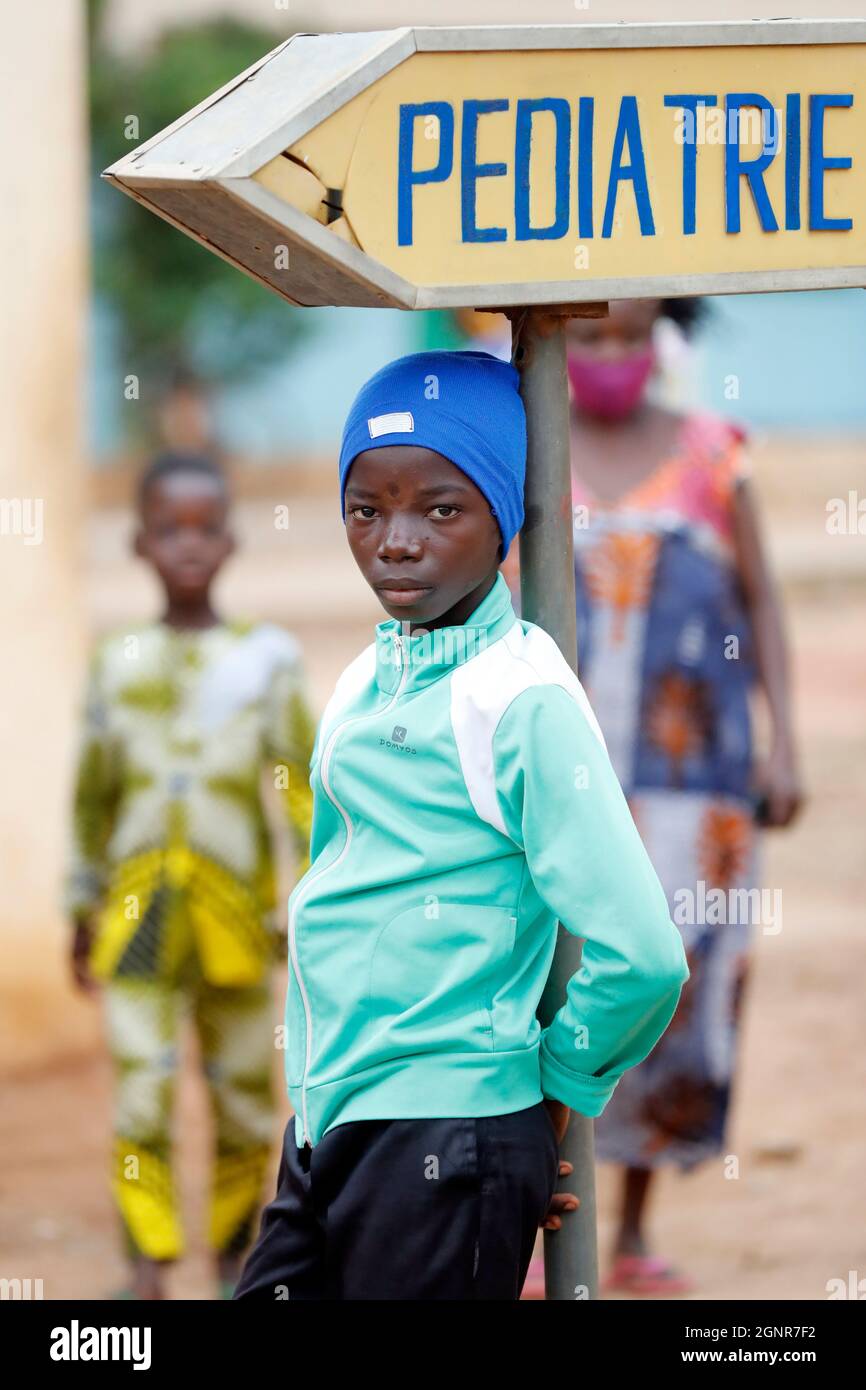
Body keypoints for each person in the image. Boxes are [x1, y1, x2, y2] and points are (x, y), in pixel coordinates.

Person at [233, 349, 690, 1302]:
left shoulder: (519, 700)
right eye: (368, 509)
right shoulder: (367, 679)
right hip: (329, 1124)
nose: (397, 540)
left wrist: (548, 1101)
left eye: (441, 509)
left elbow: (644, 954)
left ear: (505, 520)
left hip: (444, 1131)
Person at [503, 299, 803, 1295]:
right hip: (561, 789)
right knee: (553, 987)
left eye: (629, 335)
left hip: (695, 791)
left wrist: (785, 741)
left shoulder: (716, 454)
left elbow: (759, 599)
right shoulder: (527, 454)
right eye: (589, 335)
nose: (608, 354)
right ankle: (552, 1223)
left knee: (672, 992)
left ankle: (628, 1226)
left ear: (662, 339)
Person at [65, 452, 316, 1300]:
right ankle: (148, 1269)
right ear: (140, 543)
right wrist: (80, 901)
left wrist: (308, 895)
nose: (189, 547)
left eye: (206, 530)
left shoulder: (268, 662)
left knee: (248, 1101)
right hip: (133, 918)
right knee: (141, 1100)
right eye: (170, 531)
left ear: (231, 542)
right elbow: (92, 795)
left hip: (239, 922)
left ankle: (232, 1261)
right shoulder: (116, 660)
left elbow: (298, 789)